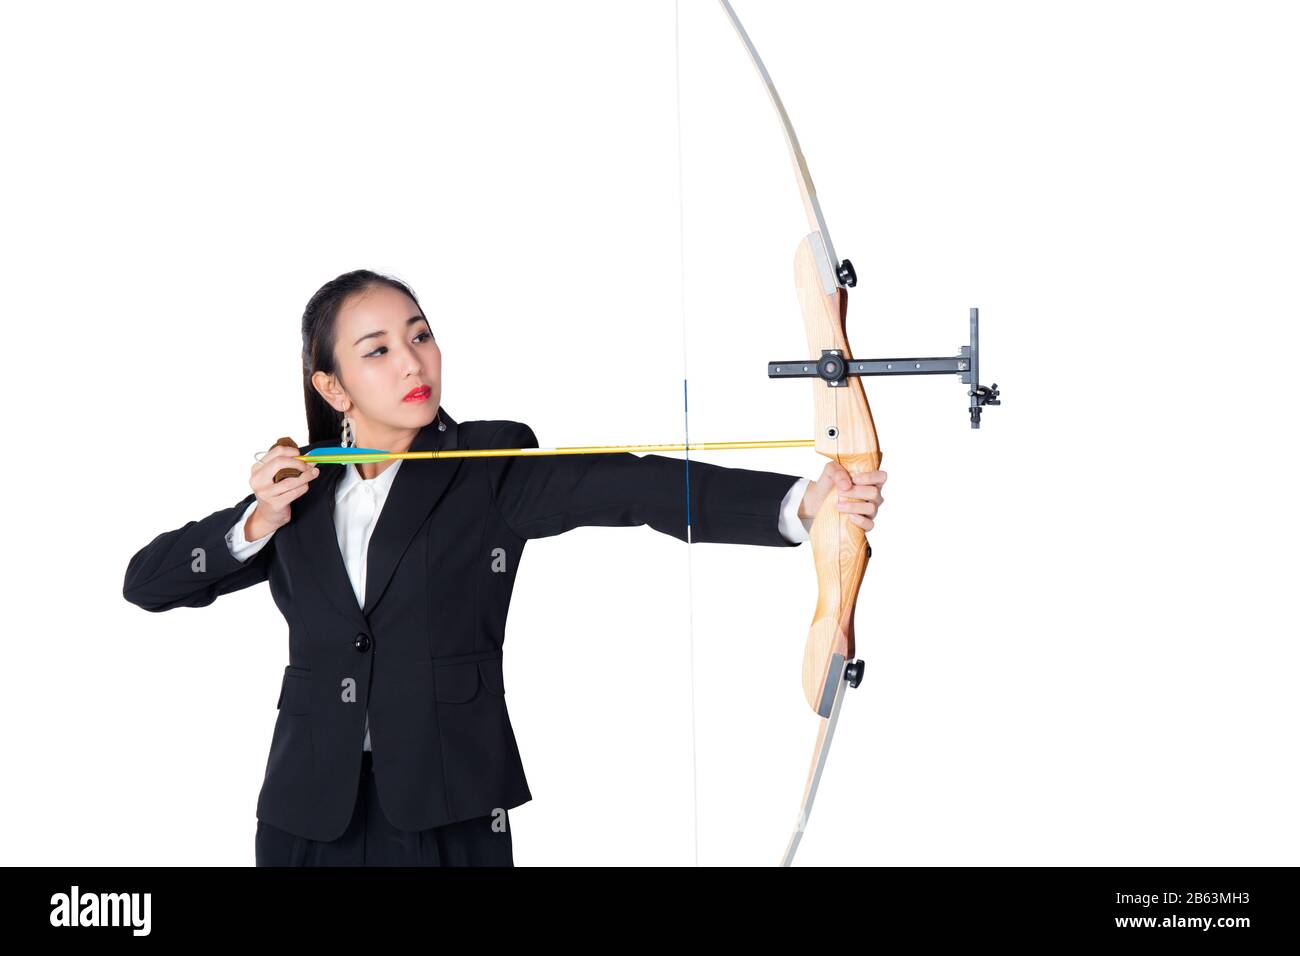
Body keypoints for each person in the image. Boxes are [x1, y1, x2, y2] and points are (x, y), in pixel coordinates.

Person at [122, 268, 886, 865]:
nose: (412, 361)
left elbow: (629, 484)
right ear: (331, 387)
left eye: (420, 336)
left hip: (446, 810)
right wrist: (256, 520)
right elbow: (148, 582)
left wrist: (802, 505)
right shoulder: (298, 491)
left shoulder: (484, 466)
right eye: (378, 350)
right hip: (305, 812)